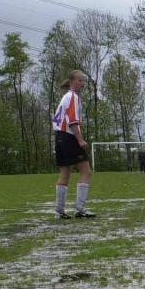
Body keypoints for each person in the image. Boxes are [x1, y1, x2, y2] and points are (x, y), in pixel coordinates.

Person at [52, 70, 95, 219]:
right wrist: (80, 139)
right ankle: (80, 209)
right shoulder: (73, 97)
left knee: (65, 173)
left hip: (59, 137)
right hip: (69, 137)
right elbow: (72, 121)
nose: (82, 83)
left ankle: (59, 211)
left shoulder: (66, 97)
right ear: (71, 81)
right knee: (86, 171)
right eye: (79, 80)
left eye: (84, 81)